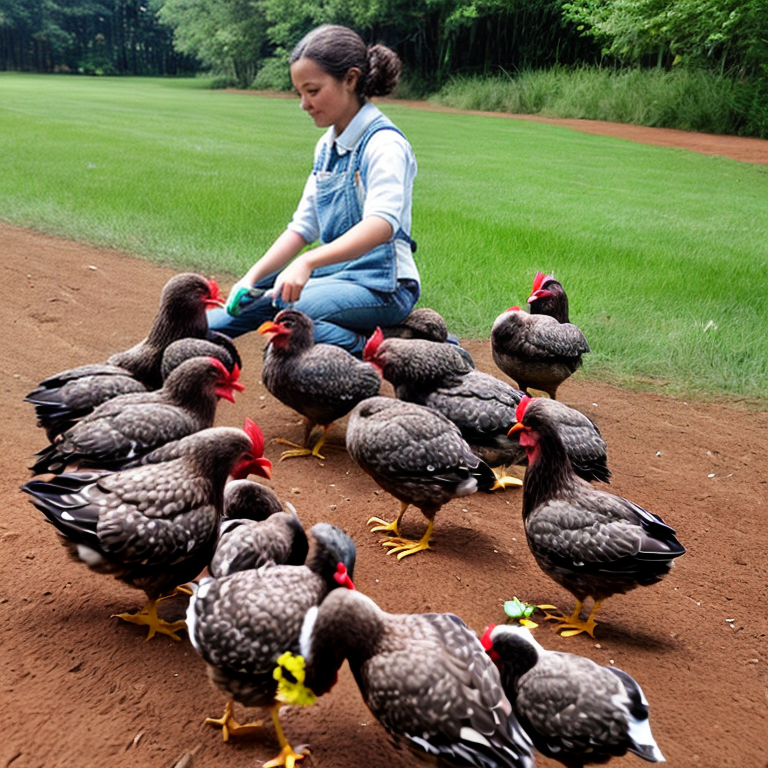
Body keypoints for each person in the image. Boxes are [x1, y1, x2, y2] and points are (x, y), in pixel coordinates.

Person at [208, 24, 420, 357]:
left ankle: (389, 348)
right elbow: (303, 227)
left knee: (286, 313)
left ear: (350, 79)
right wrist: (250, 278)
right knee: (253, 297)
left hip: (385, 286)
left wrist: (307, 263)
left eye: (313, 90)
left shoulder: (384, 143)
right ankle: (188, 338)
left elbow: (382, 224)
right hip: (339, 275)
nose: (304, 104)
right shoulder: (326, 146)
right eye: (299, 93)